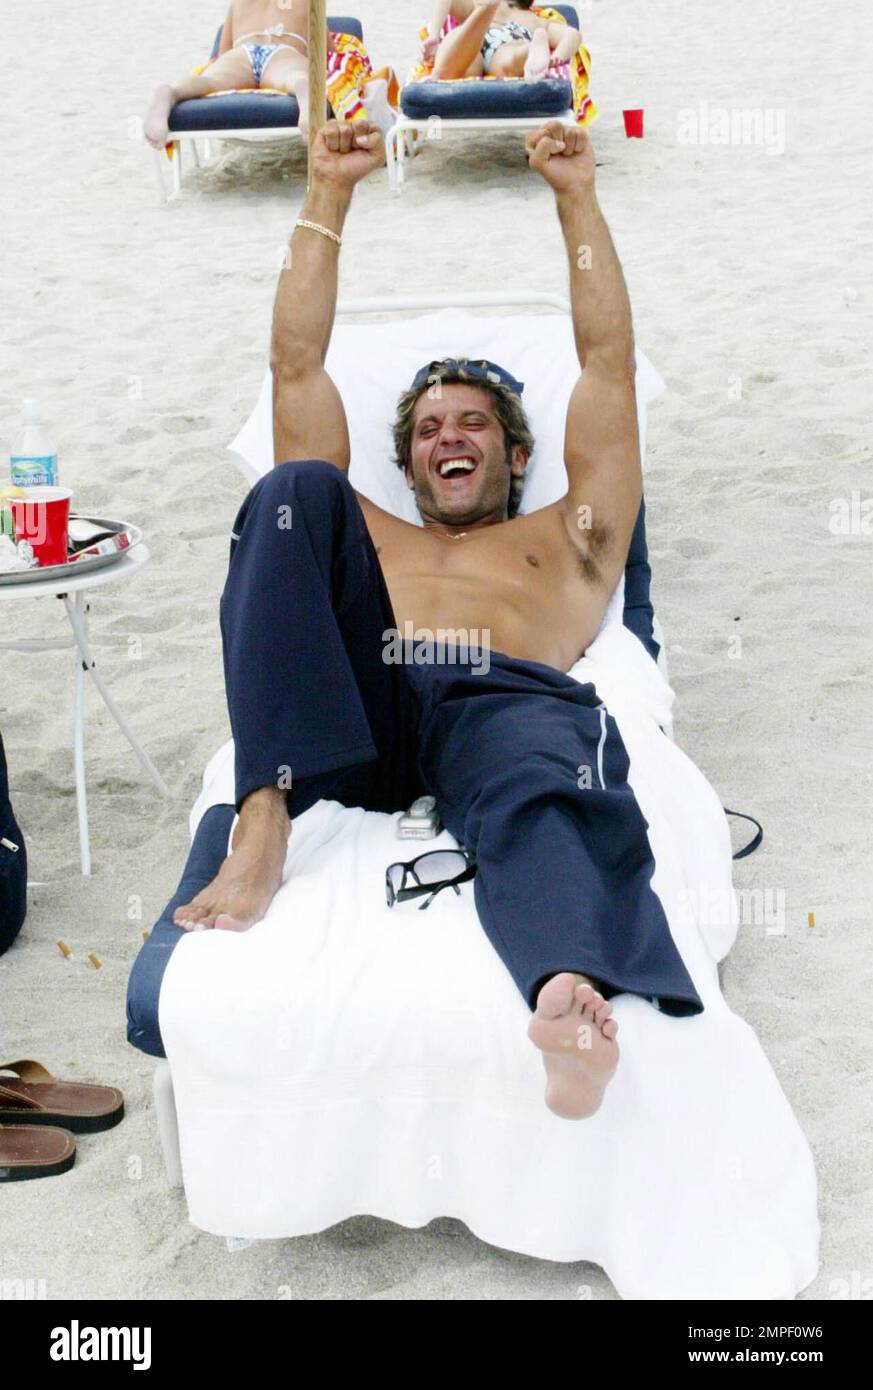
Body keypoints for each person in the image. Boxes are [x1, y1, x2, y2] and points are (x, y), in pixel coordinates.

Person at [128, 120, 701, 1120]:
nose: (449, 433)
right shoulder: (371, 527)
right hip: (363, 705)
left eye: (473, 419)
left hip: (503, 697)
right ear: (410, 457)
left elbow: (607, 366)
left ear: (514, 452)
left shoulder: (563, 537)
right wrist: (329, 193)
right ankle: (265, 818)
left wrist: (576, 197)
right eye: (430, 425)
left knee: (538, 784)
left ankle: (566, 993)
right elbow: (294, 369)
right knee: (292, 488)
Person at [144, 0, 397, 147]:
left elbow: (221, 54)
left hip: (243, 51)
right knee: (296, 77)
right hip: (282, 49)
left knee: (210, 80)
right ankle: (305, 97)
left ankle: (171, 91)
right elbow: (325, 49)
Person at [425, 0, 581, 81]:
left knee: (447, 71)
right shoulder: (536, 21)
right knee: (510, 60)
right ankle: (528, 52)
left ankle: (486, 10)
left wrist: (434, 35)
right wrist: (557, 56)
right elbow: (572, 35)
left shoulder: (472, 5)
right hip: (511, 39)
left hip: (477, 35)